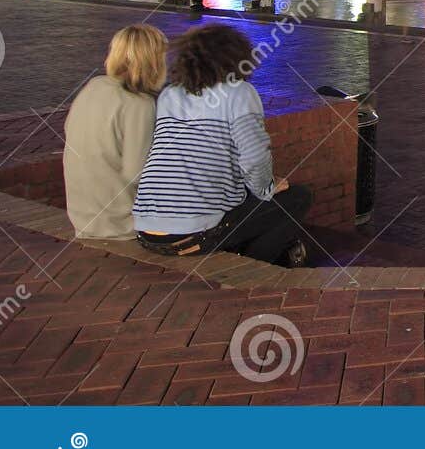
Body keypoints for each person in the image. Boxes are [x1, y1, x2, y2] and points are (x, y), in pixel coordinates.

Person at [132, 23, 313, 267]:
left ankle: (237, 251)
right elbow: (254, 158)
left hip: (146, 231)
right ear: (235, 56)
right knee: (298, 197)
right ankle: (250, 266)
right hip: (192, 235)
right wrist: (268, 188)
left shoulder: (170, 94)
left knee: (240, 195)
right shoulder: (239, 93)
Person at [63, 24, 168, 239]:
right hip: (118, 223)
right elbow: (136, 172)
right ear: (155, 62)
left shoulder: (94, 86)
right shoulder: (139, 103)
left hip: (82, 215)